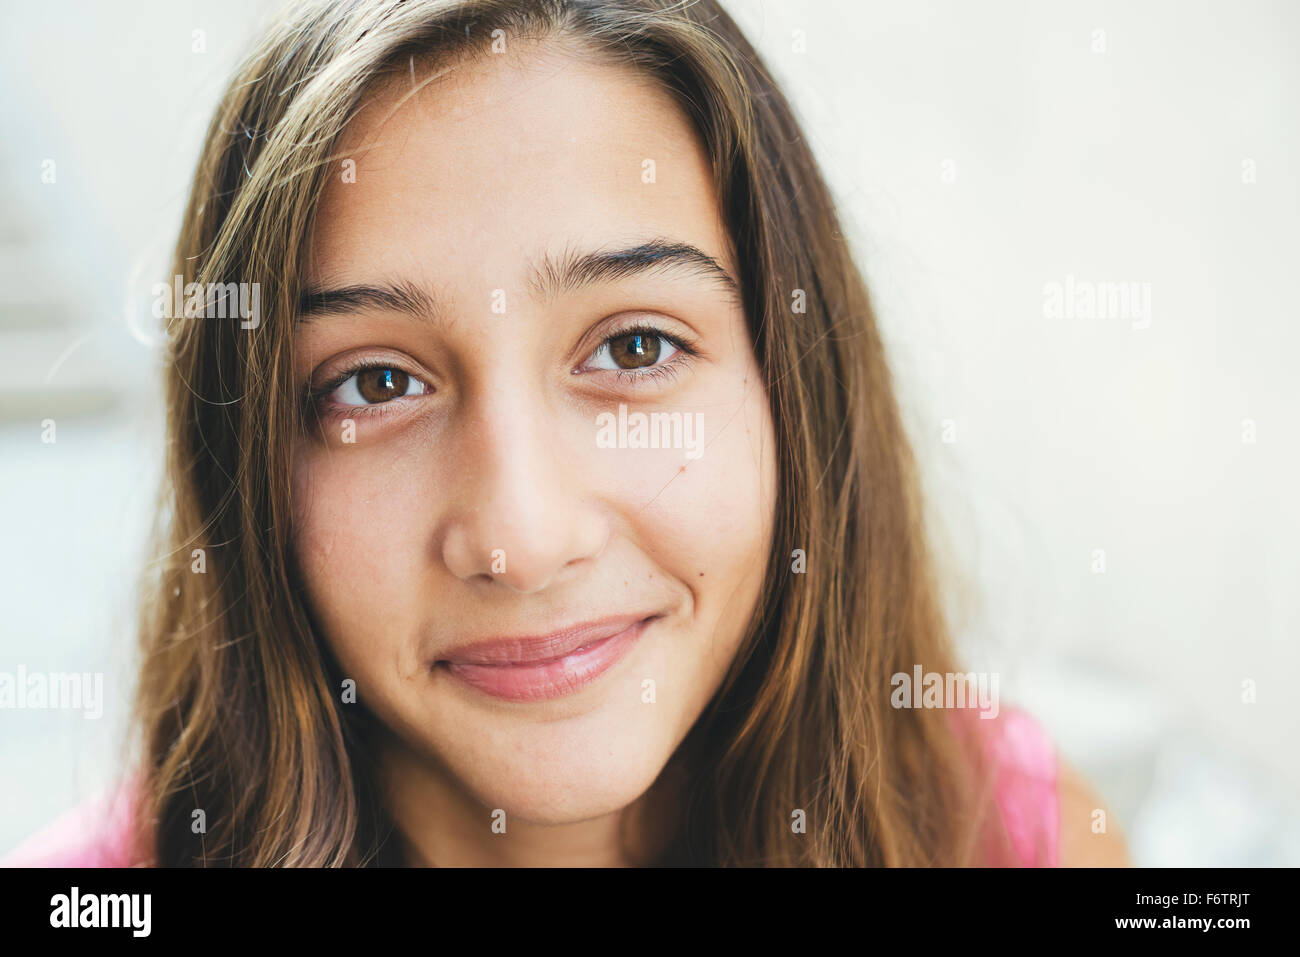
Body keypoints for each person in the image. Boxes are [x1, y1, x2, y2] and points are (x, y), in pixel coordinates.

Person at [3, 0, 1127, 867]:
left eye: (633, 349)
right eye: (376, 382)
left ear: (794, 386)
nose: (524, 539)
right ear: (246, 471)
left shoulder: (1003, 830)